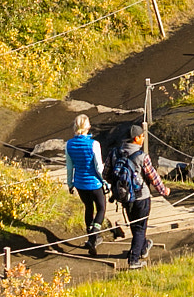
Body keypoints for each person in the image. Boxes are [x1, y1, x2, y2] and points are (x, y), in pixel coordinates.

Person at [106, 127, 169, 270]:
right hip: (142, 197)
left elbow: (106, 174)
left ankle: (143, 247)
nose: (143, 138)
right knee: (140, 228)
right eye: (142, 136)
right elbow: (153, 177)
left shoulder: (115, 153)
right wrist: (164, 191)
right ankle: (134, 260)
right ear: (136, 138)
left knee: (136, 226)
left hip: (125, 197)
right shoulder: (142, 156)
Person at [65, 115, 109, 256]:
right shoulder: (94, 144)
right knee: (101, 208)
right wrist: (105, 181)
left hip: (79, 183)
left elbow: (69, 166)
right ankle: (95, 235)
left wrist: (70, 183)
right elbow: (98, 167)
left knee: (88, 208)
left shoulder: (69, 144)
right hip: (94, 182)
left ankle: (90, 238)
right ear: (87, 126)